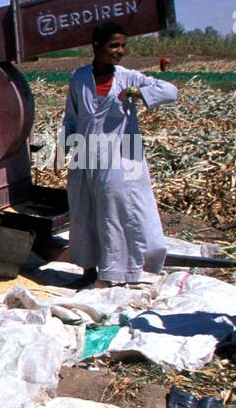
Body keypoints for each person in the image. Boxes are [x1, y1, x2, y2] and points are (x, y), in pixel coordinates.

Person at [60, 22, 178, 288]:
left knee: (113, 211)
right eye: (114, 45)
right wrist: (60, 152)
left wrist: (137, 92)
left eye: (123, 45)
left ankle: (112, 273)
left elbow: (171, 91)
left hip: (120, 155)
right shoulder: (79, 78)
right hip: (85, 155)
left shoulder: (127, 77)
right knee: (84, 210)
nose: (120, 51)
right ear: (96, 46)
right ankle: (88, 269)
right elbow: (71, 118)